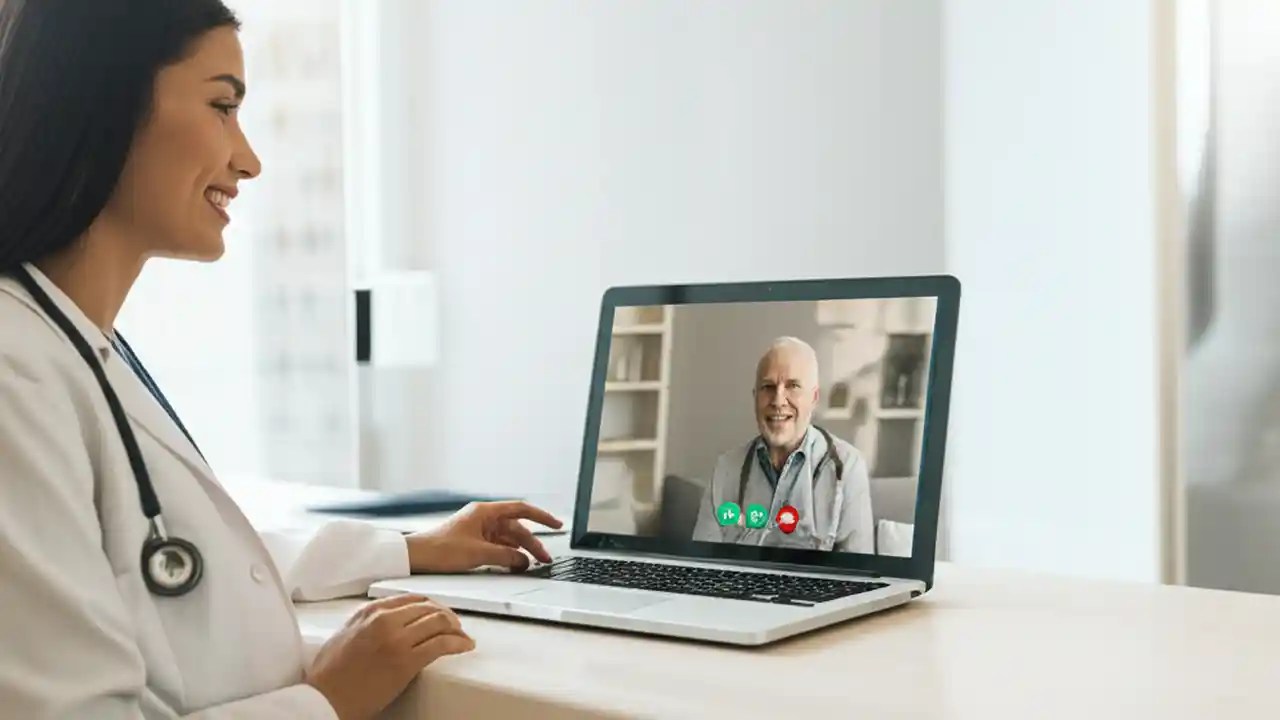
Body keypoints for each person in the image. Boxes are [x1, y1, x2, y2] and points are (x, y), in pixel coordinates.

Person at [0, 2, 562, 718]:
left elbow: (178, 549)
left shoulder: (75, 345)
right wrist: (328, 700)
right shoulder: (16, 373)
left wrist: (408, 549)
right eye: (222, 106)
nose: (249, 158)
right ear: (103, 103)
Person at [691, 337, 874, 553]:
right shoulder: (726, 469)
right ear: (755, 397)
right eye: (767, 387)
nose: (778, 400)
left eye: (793, 386)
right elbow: (702, 563)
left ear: (814, 398)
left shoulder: (848, 467)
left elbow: (857, 573)